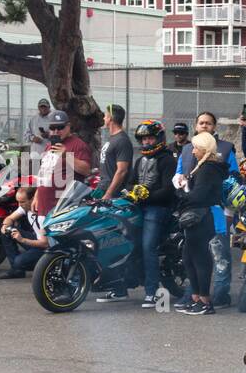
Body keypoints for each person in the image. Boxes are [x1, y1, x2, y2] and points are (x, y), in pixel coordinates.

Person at [175, 131, 227, 316]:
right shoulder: (205, 166)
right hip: (202, 216)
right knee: (189, 257)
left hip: (204, 217)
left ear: (204, 149)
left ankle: (205, 301)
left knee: (199, 258)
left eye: (196, 147)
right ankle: (196, 297)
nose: (193, 150)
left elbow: (199, 195)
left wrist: (181, 195)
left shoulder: (207, 168)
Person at [94, 104, 138, 304]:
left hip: (113, 198)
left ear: (111, 117)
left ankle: (119, 287)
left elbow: (121, 171)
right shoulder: (111, 139)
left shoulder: (122, 141)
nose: (103, 118)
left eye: (105, 115)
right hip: (103, 191)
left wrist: (110, 194)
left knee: (111, 241)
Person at [131, 120, 178, 308]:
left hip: (159, 209)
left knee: (147, 247)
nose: (146, 142)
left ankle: (152, 292)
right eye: (143, 139)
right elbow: (129, 182)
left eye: (149, 138)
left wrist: (146, 196)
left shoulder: (168, 159)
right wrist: (131, 192)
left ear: (158, 138)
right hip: (140, 206)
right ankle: (118, 287)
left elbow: (168, 189)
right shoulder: (139, 160)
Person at [34, 110, 91, 217]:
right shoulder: (50, 146)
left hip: (62, 208)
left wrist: (66, 155)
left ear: (68, 126)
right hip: (44, 206)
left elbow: (86, 170)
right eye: (52, 128)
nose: (56, 131)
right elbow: (45, 171)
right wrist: (37, 195)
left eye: (60, 127)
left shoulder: (78, 145)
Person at [0, 185, 48, 279]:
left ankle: (45, 267)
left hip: (46, 248)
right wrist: (5, 226)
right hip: (37, 240)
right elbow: (9, 218)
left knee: (19, 262)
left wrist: (22, 240)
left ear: (33, 199)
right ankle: (16, 271)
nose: (19, 205)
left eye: (22, 202)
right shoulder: (25, 207)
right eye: (18, 202)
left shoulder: (42, 213)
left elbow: (45, 244)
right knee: (7, 231)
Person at [24, 98, 53, 164]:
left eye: (45, 107)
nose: (43, 108)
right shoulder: (33, 119)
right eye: (41, 107)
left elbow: (60, 135)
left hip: (49, 152)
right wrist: (33, 138)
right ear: (38, 108)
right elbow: (26, 134)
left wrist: (49, 135)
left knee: (48, 172)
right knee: (35, 172)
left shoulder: (53, 118)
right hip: (35, 152)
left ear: (49, 107)